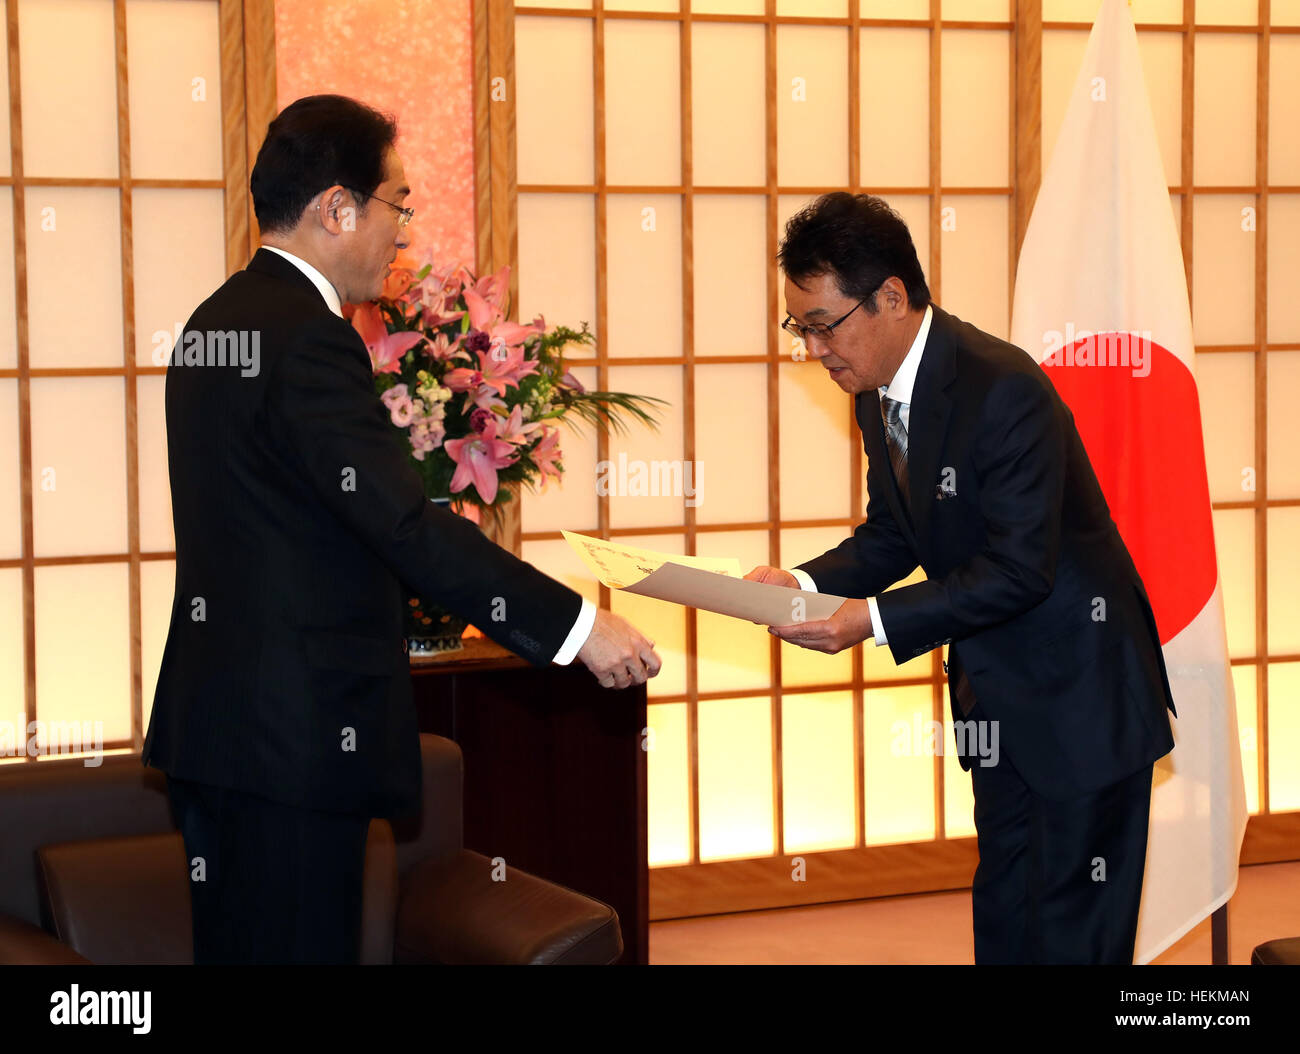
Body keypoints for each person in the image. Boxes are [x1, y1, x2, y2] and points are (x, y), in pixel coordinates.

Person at [142, 94, 660, 965]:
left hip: (222, 733)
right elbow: (404, 525)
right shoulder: (309, 339)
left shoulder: (214, 321)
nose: (404, 235)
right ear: (336, 207)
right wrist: (576, 628)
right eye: (399, 206)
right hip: (295, 745)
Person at [747, 192, 1175, 964]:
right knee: (1008, 922)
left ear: (890, 297)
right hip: (999, 702)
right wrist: (801, 583)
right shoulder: (877, 396)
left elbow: (1019, 570)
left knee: (1073, 934)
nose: (813, 350)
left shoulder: (1000, 385)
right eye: (799, 328)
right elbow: (892, 536)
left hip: (1081, 696)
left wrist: (866, 622)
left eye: (822, 325)